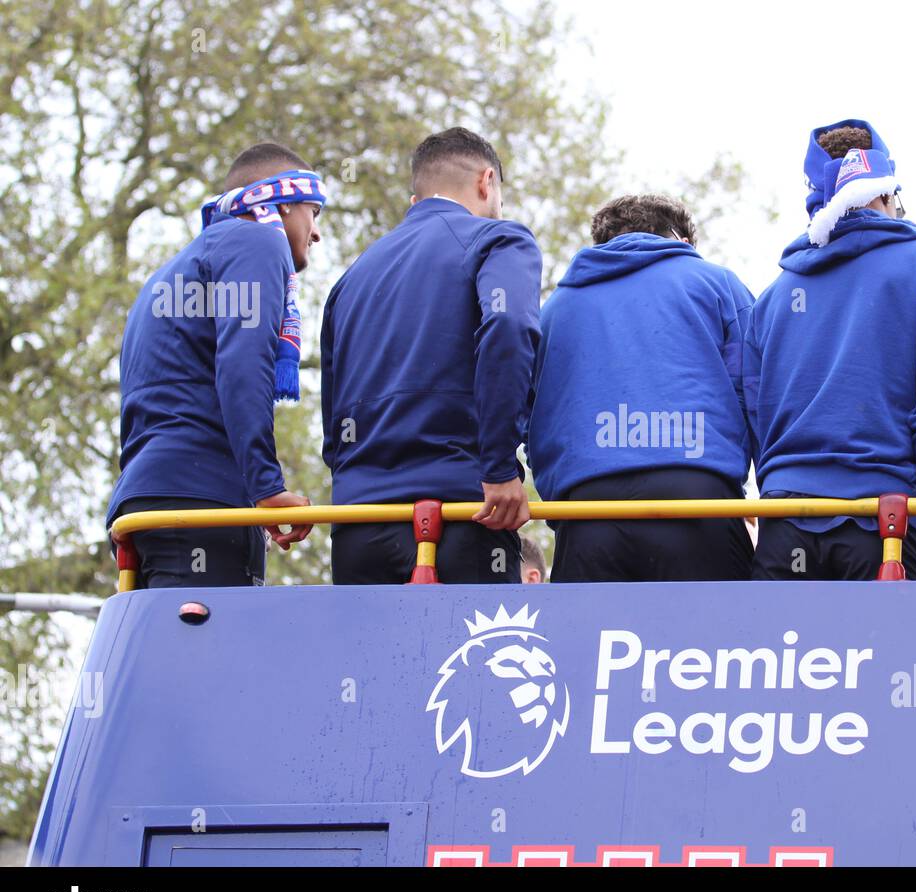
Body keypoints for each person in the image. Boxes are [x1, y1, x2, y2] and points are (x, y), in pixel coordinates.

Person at [746, 121, 916, 580]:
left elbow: (758, 418)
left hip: (783, 529)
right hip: (887, 521)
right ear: (889, 190)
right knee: (897, 655)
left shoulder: (772, 298)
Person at [322, 127, 541, 585]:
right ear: (487, 183)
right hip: (462, 512)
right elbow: (508, 327)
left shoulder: (351, 279)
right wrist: (500, 465)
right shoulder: (498, 240)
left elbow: (332, 403)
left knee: (366, 659)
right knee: (471, 656)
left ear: (415, 196)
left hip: (357, 522)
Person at [107, 142, 324, 588]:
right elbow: (243, 366)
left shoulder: (169, 273)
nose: (316, 232)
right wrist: (266, 488)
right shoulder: (257, 240)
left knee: (169, 658)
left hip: (144, 505)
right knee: (213, 658)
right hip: (201, 502)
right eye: (313, 212)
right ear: (280, 205)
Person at [527, 195, 754, 581]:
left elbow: (527, 414)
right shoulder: (716, 284)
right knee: (716, 638)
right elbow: (758, 390)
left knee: (587, 641)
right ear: (681, 240)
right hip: (696, 498)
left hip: (585, 510)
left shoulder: (554, 308)